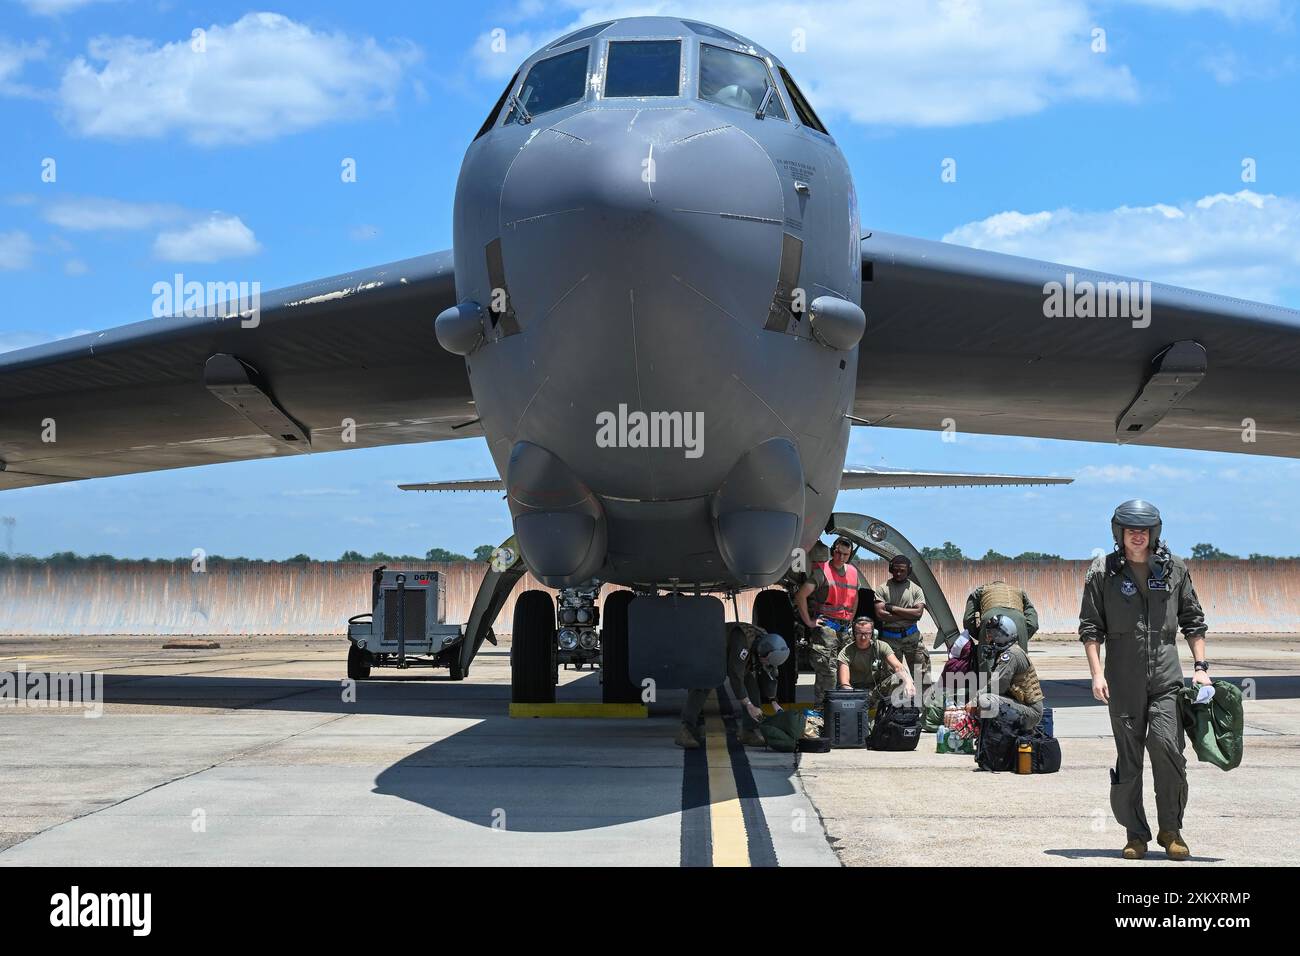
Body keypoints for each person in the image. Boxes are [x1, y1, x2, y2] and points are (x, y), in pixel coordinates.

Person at [1079, 499, 1210, 862]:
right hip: (1121, 677)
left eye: (1144, 530)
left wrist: (1201, 666)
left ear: (1155, 532)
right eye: (1130, 530)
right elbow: (1091, 627)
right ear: (1118, 533)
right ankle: (1135, 834)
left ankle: (1171, 829)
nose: (1138, 536)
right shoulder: (1102, 572)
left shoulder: (1174, 569)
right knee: (1129, 757)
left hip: (1167, 675)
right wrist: (1095, 674)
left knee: (1168, 748)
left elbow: (1193, 621)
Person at [676, 624, 790, 749]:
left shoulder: (768, 645)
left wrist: (773, 701)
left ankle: (748, 731)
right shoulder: (743, 641)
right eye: (767, 661)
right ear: (762, 653)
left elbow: (769, 673)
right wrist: (749, 705)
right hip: (710, 652)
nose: (767, 664)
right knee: (703, 686)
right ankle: (686, 730)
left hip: (730, 656)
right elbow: (735, 675)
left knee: (753, 690)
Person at [794, 537, 859, 701]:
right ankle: (821, 714)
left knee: (844, 672)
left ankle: (838, 713)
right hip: (826, 630)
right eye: (838, 552)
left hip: (845, 630)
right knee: (827, 674)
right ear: (832, 551)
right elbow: (801, 596)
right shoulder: (821, 571)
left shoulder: (852, 572)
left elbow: (855, 596)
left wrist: (851, 617)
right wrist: (809, 622)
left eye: (845, 554)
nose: (841, 557)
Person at [969, 613, 1044, 733]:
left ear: (1003, 634)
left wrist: (974, 700)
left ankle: (993, 738)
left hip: (1031, 713)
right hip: (1024, 707)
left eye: (992, 634)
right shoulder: (1010, 651)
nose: (989, 638)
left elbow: (996, 686)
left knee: (986, 700)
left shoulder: (1011, 655)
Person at [874, 555, 932, 698]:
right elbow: (880, 614)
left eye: (902, 570)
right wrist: (907, 615)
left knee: (922, 677)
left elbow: (918, 613)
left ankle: (924, 711)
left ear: (909, 571)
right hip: (890, 639)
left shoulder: (916, 590)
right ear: (890, 569)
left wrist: (892, 608)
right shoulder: (882, 589)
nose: (898, 573)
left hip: (912, 638)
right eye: (896, 570)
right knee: (890, 678)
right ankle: (892, 710)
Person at [836, 617, 916, 710]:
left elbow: (898, 667)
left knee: (899, 678)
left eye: (867, 633)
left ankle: (896, 713)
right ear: (853, 634)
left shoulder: (881, 646)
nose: (863, 637)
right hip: (855, 692)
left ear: (873, 634)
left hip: (876, 690)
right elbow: (845, 683)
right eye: (859, 633)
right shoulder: (846, 652)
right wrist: (857, 698)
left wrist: (909, 682)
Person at [963, 580, 1039, 651]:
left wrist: (981, 635)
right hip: (1018, 620)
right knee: (1020, 659)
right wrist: (1022, 635)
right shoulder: (1019, 591)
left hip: (990, 617)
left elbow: (968, 619)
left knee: (986, 659)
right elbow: (1033, 623)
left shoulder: (981, 590)